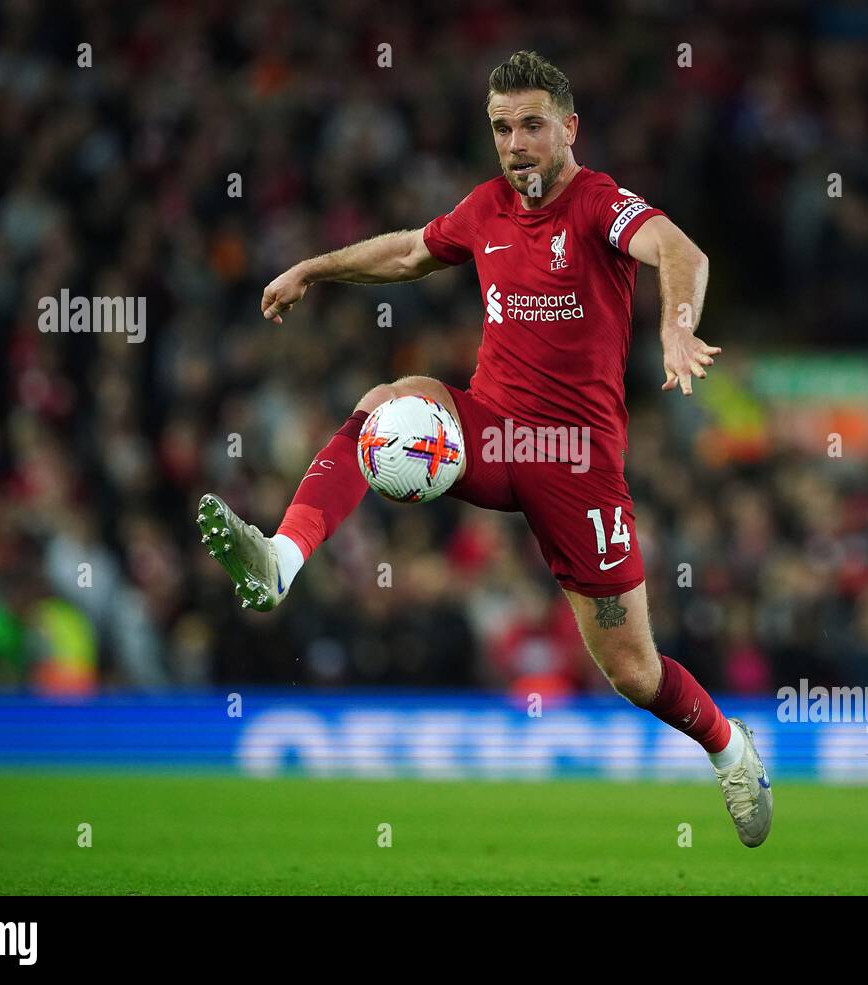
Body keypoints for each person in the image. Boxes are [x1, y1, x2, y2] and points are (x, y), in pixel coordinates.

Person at [197, 51, 772, 847]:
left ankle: (729, 746)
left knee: (632, 671)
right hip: (490, 433)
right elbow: (407, 251)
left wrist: (676, 327)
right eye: (501, 128)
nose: (515, 144)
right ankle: (280, 562)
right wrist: (313, 268)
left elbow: (683, 253)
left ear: (569, 128)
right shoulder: (488, 208)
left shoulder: (601, 204)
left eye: (532, 125)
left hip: (577, 461)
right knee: (382, 405)